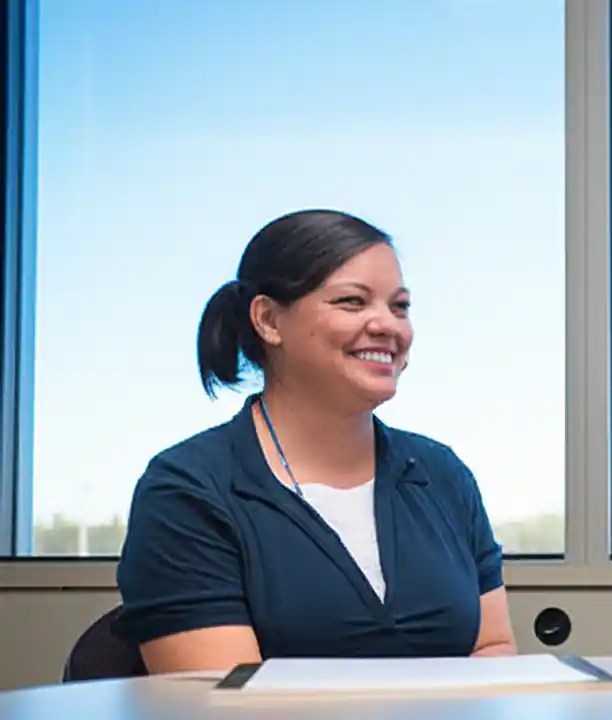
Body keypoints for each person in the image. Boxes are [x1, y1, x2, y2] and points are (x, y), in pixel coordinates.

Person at [115, 209, 516, 673]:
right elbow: (222, 705)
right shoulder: (189, 490)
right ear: (268, 320)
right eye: (352, 301)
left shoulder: (441, 474)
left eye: (400, 306)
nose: (388, 325)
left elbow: (493, 649)